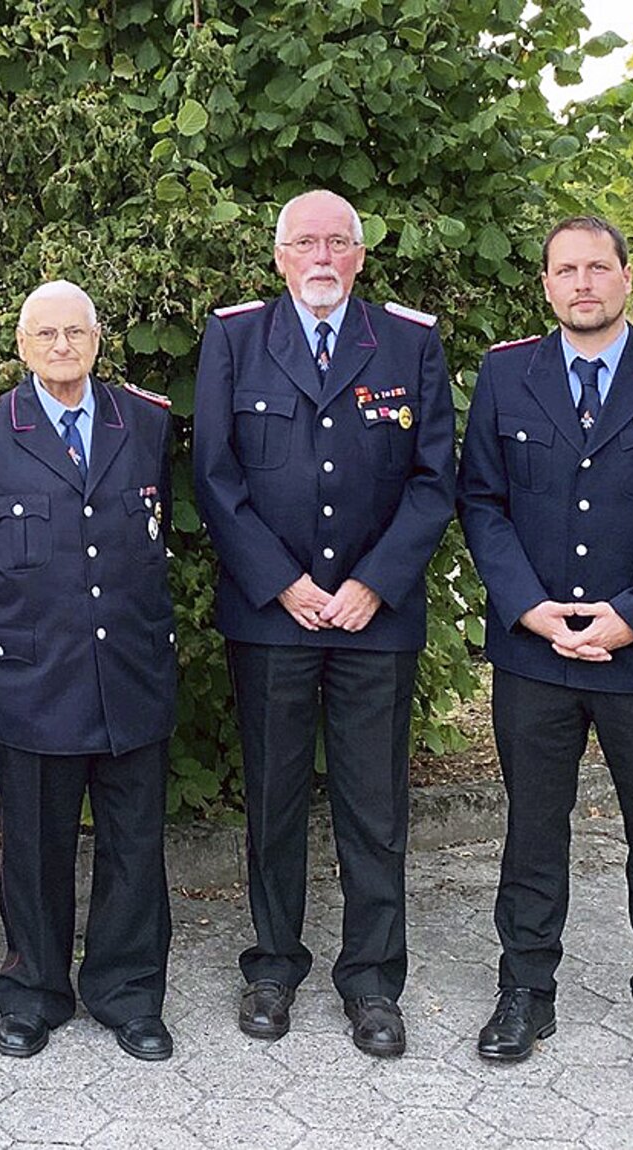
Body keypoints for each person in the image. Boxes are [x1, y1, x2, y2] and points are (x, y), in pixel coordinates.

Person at [458, 215, 633, 1100]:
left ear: (625, 277)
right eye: (564, 270)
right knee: (532, 831)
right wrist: (527, 608)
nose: (581, 283)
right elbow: (482, 500)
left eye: (597, 268)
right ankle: (525, 991)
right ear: (545, 285)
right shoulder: (508, 375)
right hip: (536, 652)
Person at [192, 189, 456, 1057]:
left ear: (359, 256)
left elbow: (431, 481)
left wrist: (374, 584)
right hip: (275, 618)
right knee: (271, 799)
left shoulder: (410, 342)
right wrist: (283, 584)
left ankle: (374, 982)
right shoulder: (235, 338)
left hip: (374, 620)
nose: (320, 257)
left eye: (337, 242)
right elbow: (216, 477)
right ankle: (272, 966)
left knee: (373, 806)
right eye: (304, 242)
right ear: (278, 258)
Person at [0, 281, 177, 1061]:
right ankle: (34, 991)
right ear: (22, 343)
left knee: (135, 844)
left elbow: (151, 528)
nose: (63, 347)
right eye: (47, 335)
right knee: (34, 846)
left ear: (99, 340)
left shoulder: (145, 420)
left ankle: (127, 991)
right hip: (33, 674)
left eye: (77, 333)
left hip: (129, 667)